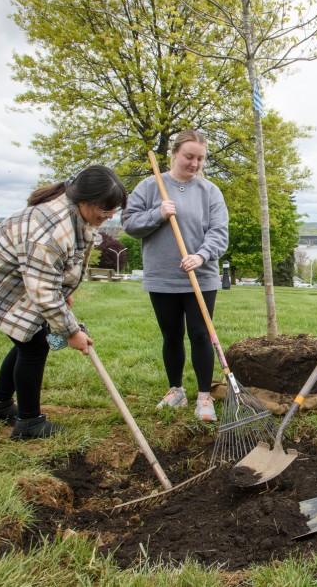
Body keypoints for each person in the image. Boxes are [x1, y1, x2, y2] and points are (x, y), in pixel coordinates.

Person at [0, 166, 127, 440]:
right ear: (86, 199)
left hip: (20, 276)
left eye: (113, 211)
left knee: (27, 337)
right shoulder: (51, 229)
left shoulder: (74, 209)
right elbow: (43, 292)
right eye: (105, 210)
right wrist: (71, 332)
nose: (108, 216)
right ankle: (29, 424)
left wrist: (65, 289)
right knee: (34, 345)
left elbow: (58, 268)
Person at [122, 130, 229, 422]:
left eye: (200, 158)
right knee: (171, 335)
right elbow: (129, 224)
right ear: (174, 154)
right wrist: (157, 213)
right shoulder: (149, 186)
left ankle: (204, 397)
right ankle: (176, 391)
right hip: (162, 276)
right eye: (189, 157)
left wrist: (201, 255)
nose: (195, 163)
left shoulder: (210, 191)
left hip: (201, 276)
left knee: (200, 334)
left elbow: (220, 233)